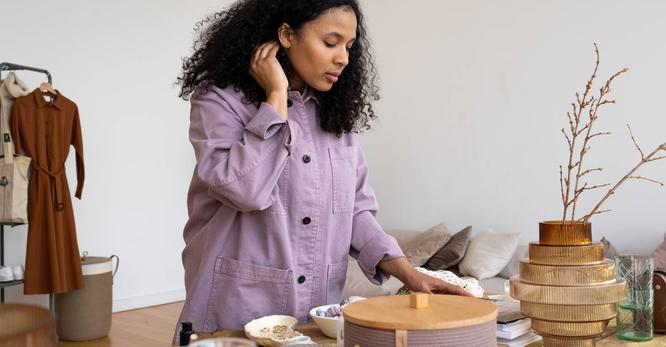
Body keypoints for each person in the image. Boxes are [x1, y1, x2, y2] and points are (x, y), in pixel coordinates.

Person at [173, 0, 471, 340]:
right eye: (330, 42)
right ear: (286, 34)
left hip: (315, 316)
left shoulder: (334, 116)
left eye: (348, 46)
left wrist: (409, 273)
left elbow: (355, 210)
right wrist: (276, 98)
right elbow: (244, 190)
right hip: (236, 310)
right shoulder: (220, 101)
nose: (343, 57)